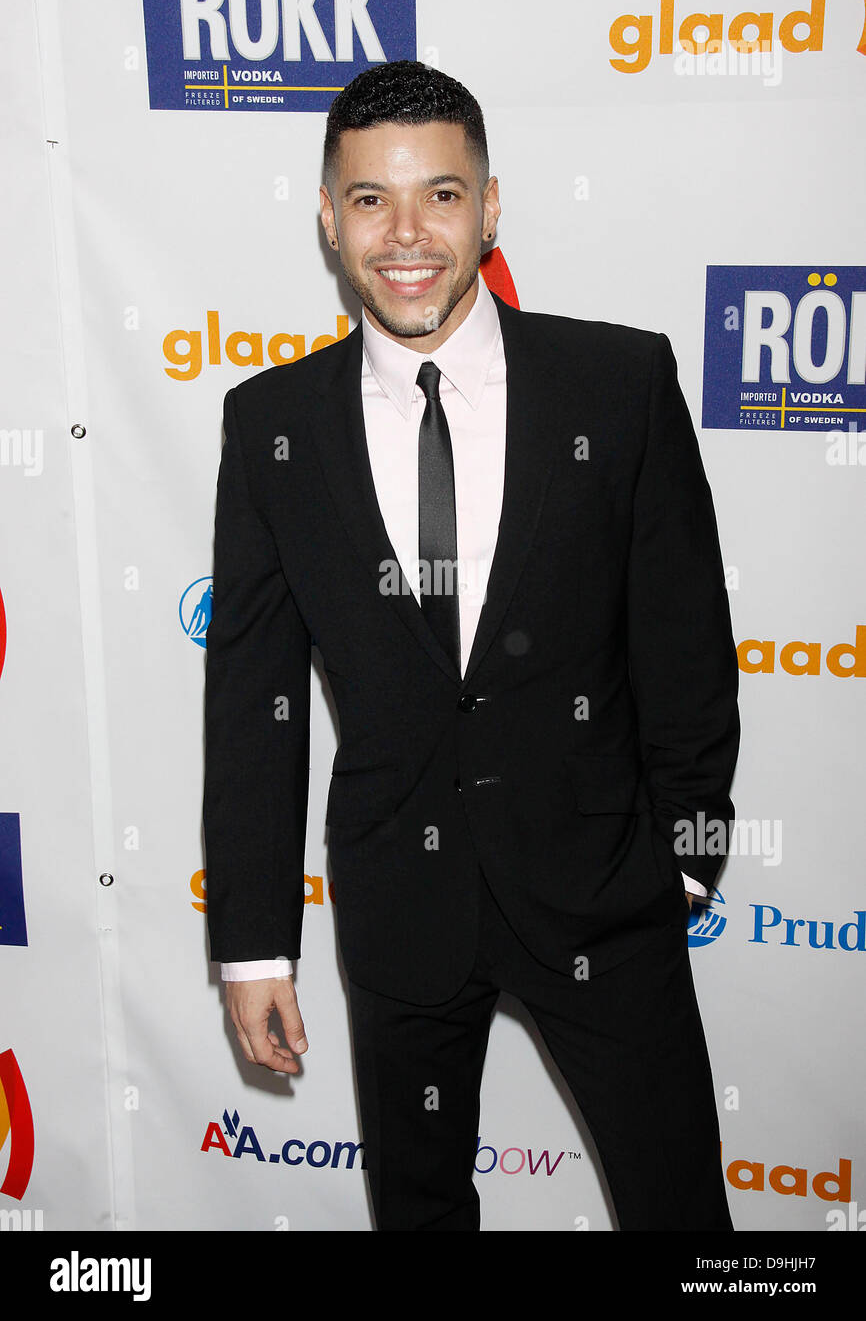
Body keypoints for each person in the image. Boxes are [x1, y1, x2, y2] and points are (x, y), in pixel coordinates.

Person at [202, 60, 740, 1231]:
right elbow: (253, 703)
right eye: (370, 200)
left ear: (489, 207)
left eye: (439, 195)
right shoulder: (271, 424)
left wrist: (685, 863)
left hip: (606, 899)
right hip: (400, 906)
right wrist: (251, 948)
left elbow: (687, 649)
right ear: (329, 221)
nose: (405, 234)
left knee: (685, 1221)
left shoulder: (618, 384)